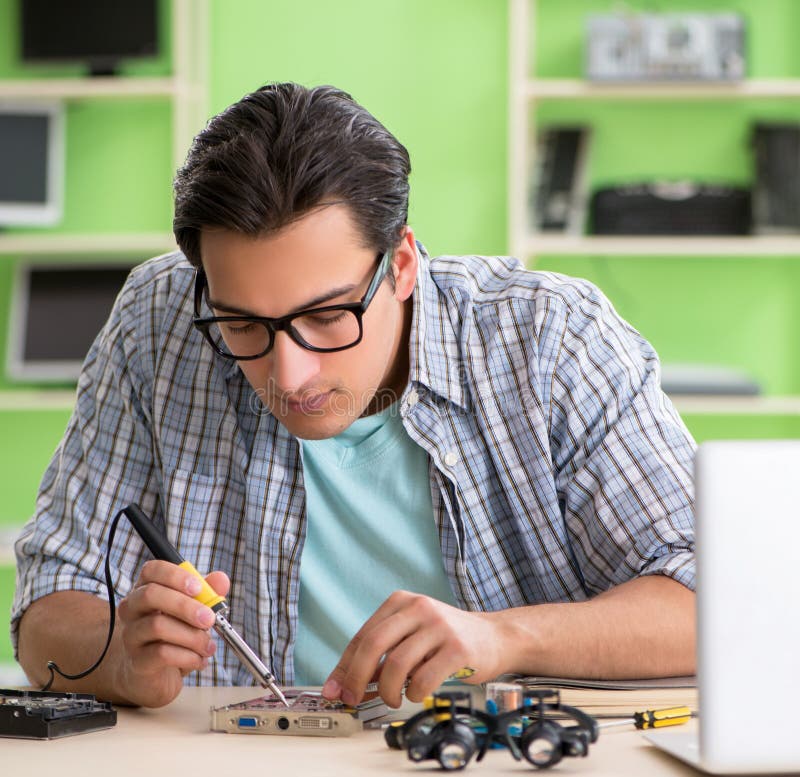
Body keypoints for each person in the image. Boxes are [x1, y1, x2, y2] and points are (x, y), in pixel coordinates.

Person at [12, 83, 696, 709]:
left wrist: (504, 637)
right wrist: (120, 659)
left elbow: (712, 601)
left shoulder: (550, 336)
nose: (289, 375)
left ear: (401, 264)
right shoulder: (157, 319)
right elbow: (47, 604)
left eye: (327, 316)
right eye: (241, 324)